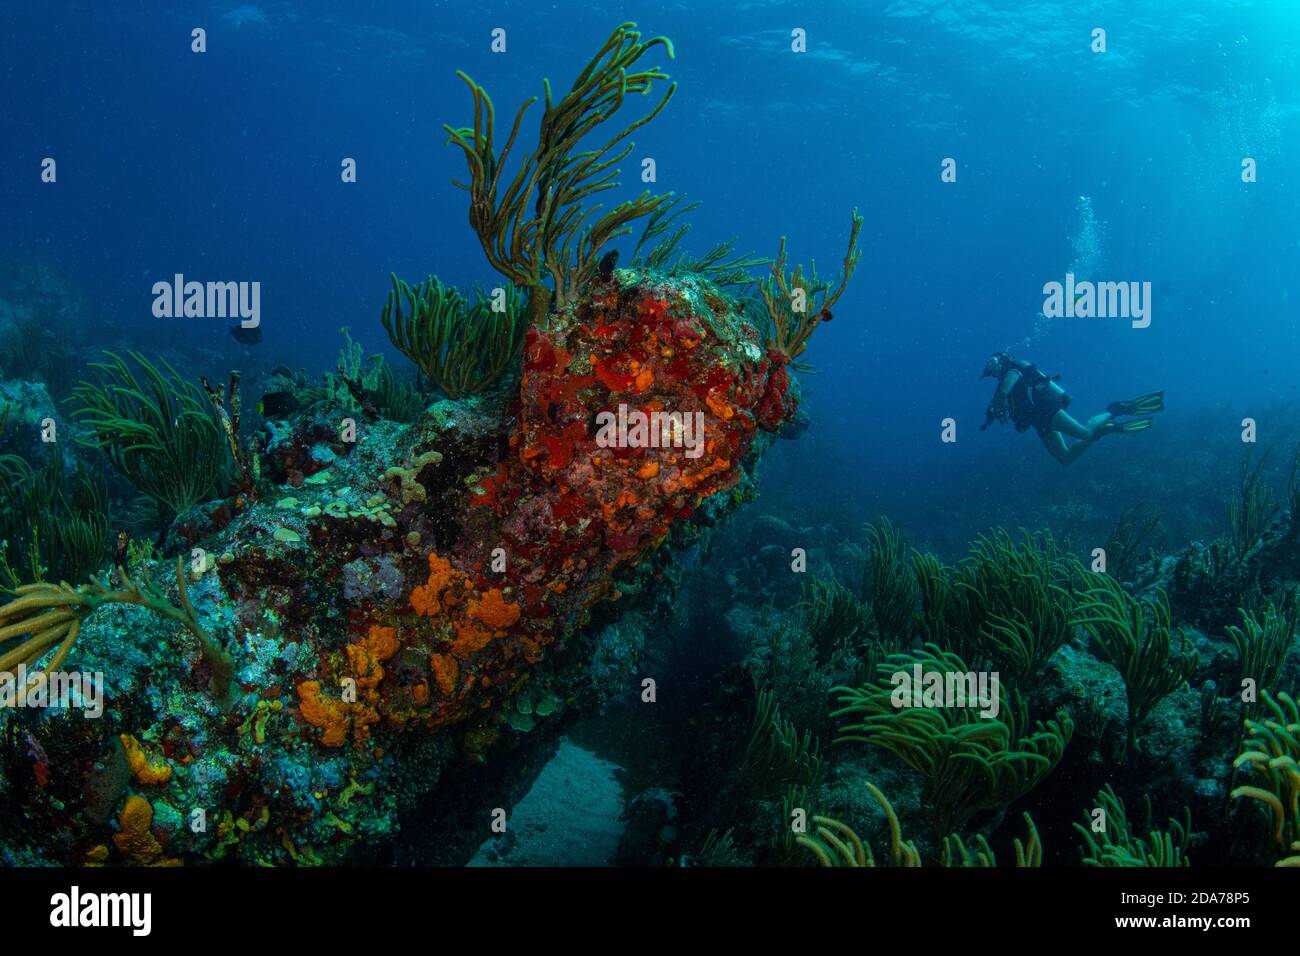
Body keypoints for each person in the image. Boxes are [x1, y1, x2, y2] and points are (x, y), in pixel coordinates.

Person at [979, 351, 1164, 466]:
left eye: (993, 364)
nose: (992, 370)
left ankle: (1114, 410)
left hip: (1047, 411)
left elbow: (1010, 381)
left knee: (1083, 432)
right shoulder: (1002, 385)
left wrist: (1000, 399)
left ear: (1001, 360)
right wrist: (991, 416)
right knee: (1065, 458)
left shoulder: (1013, 369)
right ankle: (1103, 431)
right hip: (1039, 422)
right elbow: (1004, 396)